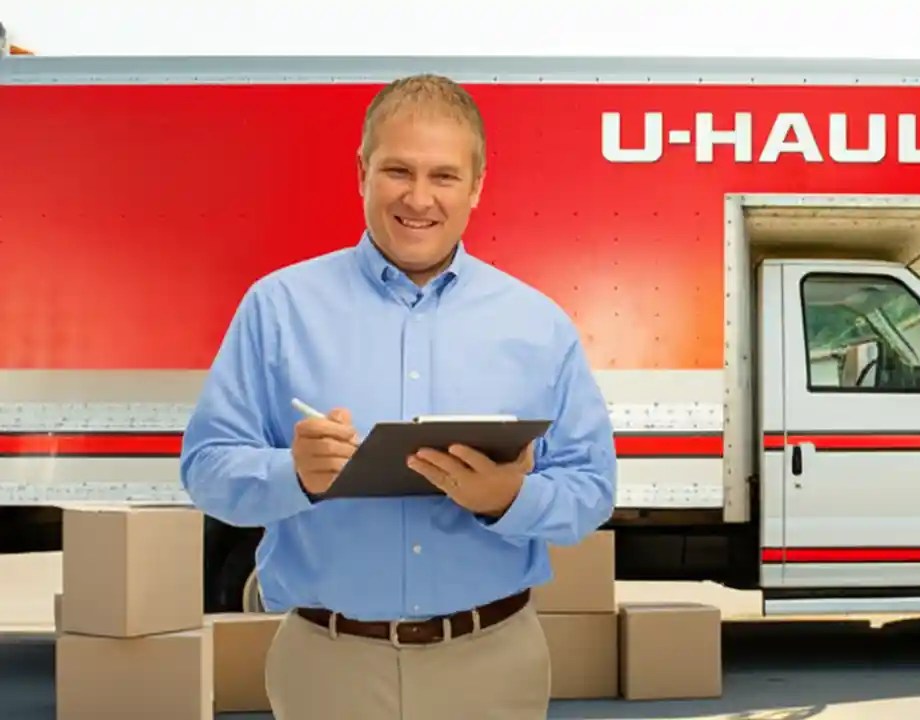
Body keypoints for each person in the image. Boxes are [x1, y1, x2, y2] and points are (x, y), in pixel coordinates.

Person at [179, 73, 618, 719]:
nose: (419, 198)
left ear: (476, 186)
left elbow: (591, 490)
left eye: (443, 175)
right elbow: (206, 469)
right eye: (397, 170)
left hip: (493, 665)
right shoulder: (278, 307)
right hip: (327, 669)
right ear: (362, 172)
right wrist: (292, 473)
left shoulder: (538, 324)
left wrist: (509, 499)